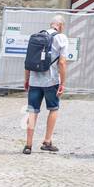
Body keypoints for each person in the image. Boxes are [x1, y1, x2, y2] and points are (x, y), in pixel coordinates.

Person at [23, 15, 68, 154]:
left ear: (51, 24)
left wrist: (27, 79)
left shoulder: (36, 36)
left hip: (34, 80)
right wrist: (63, 82)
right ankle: (47, 141)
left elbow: (28, 60)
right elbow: (62, 62)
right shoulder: (62, 38)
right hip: (51, 80)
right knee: (53, 109)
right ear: (60, 25)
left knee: (32, 111)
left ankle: (28, 145)